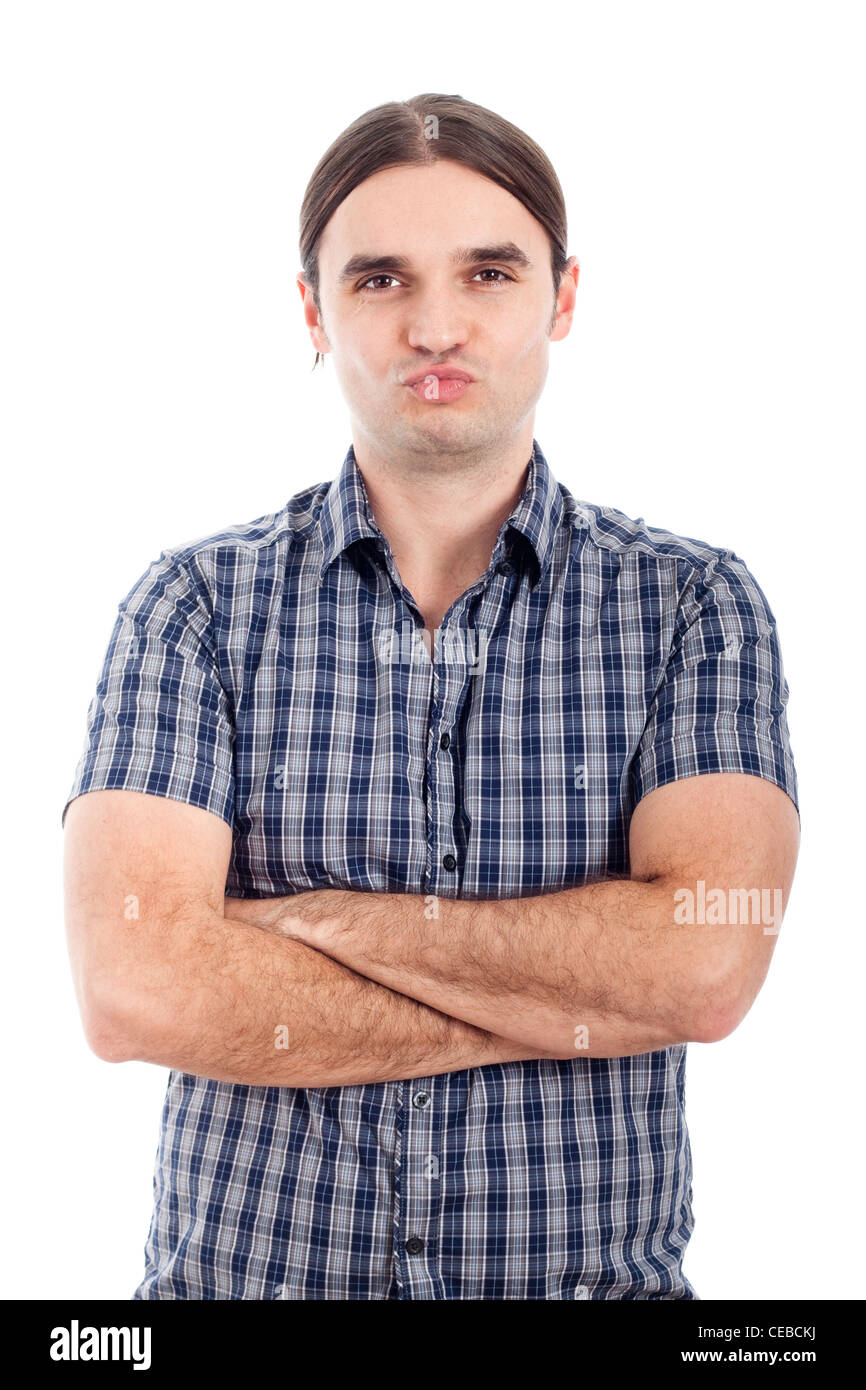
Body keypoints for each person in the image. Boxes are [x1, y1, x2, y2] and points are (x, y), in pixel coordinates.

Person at [62, 92, 800, 1301]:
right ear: (312, 309)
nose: (436, 325)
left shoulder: (692, 609)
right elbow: (134, 985)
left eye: (490, 273)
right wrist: (567, 994)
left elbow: (703, 969)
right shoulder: (191, 606)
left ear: (562, 298)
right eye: (379, 280)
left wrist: (296, 925)